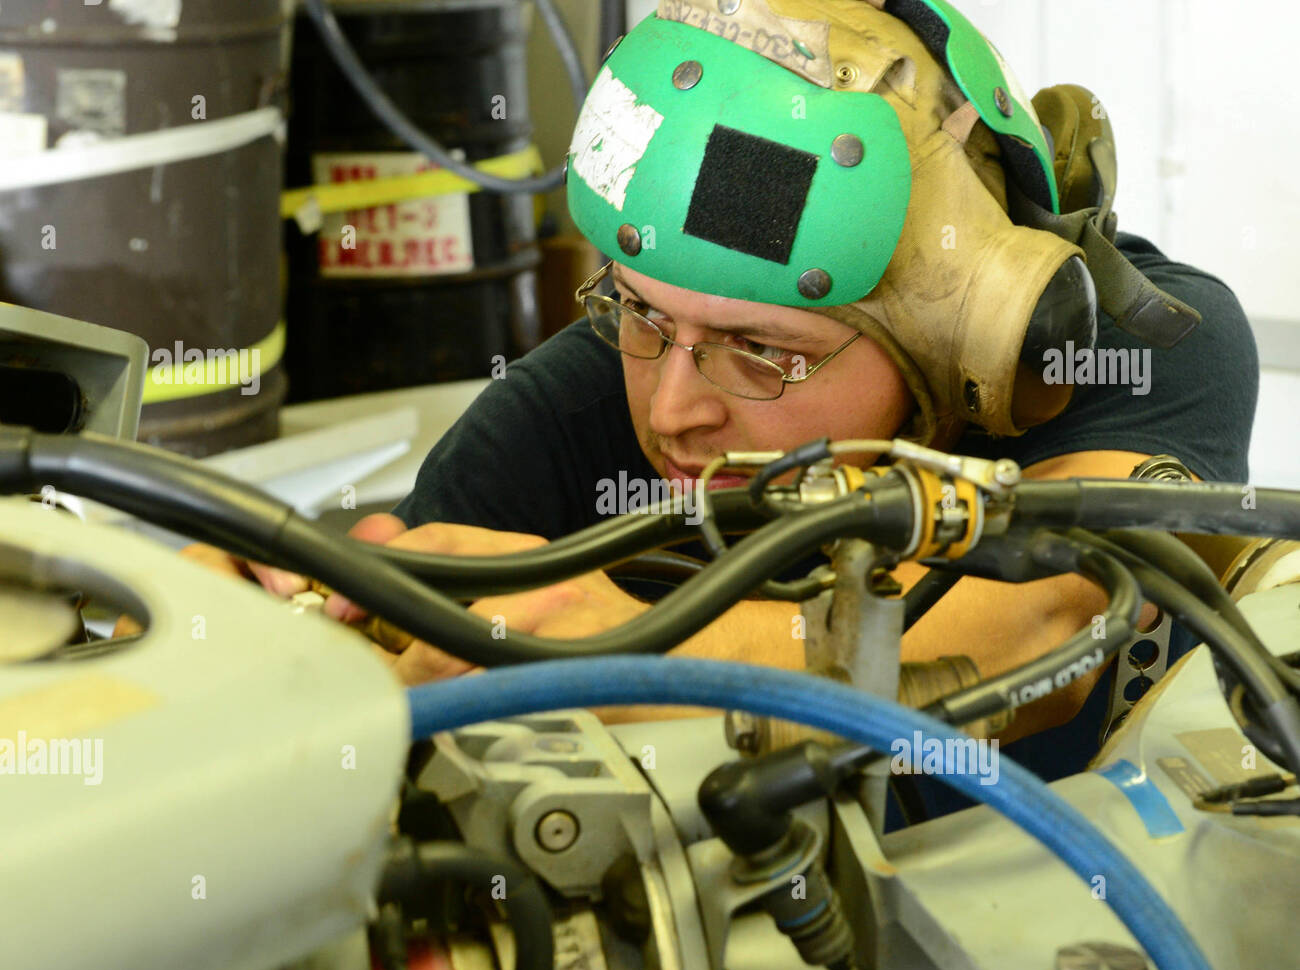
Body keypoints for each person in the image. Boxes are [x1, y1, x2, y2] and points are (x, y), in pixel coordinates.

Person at [225, 1, 1259, 759]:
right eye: (639, 311)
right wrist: (257, 633)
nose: (672, 410)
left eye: (764, 349)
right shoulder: (575, 403)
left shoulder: (1136, 348)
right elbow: (401, 634)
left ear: (970, 340)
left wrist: (622, 649)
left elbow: (1040, 635)